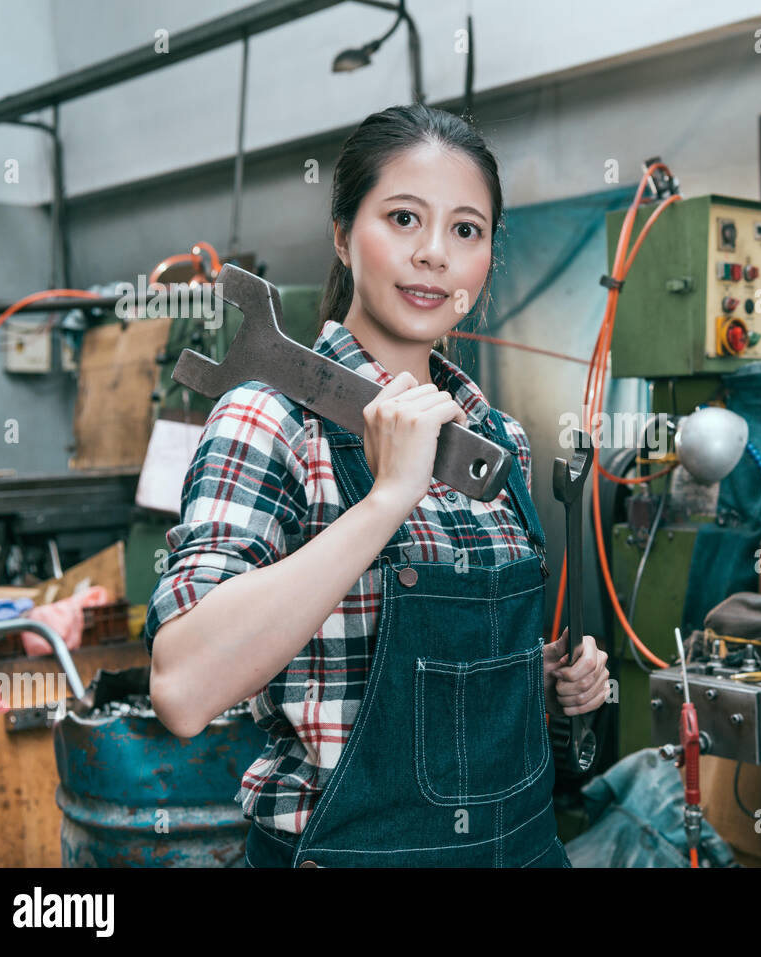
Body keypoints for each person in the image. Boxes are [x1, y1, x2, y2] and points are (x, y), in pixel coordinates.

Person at [145, 104, 609, 868]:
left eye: (467, 230)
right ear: (341, 233)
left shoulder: (499, 441)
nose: (434, 254)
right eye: (402, 218)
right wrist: (386, 497)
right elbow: (184, 687)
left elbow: (443, 681)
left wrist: (541, 680)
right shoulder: (269, 419)